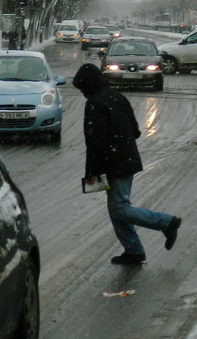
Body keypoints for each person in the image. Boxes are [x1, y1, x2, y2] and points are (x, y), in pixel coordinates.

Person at [73, 63, 182, 265]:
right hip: (127, 158)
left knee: (120, 208)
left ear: (87, 85)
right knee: (117, 208)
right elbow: (136, 130)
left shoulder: (95, 103)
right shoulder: (117, 96)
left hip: (113, 163)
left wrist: (92, 173)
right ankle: (133, 251)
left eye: (82, 89)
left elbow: (95, 143)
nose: (82, 94)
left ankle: (166, 222)